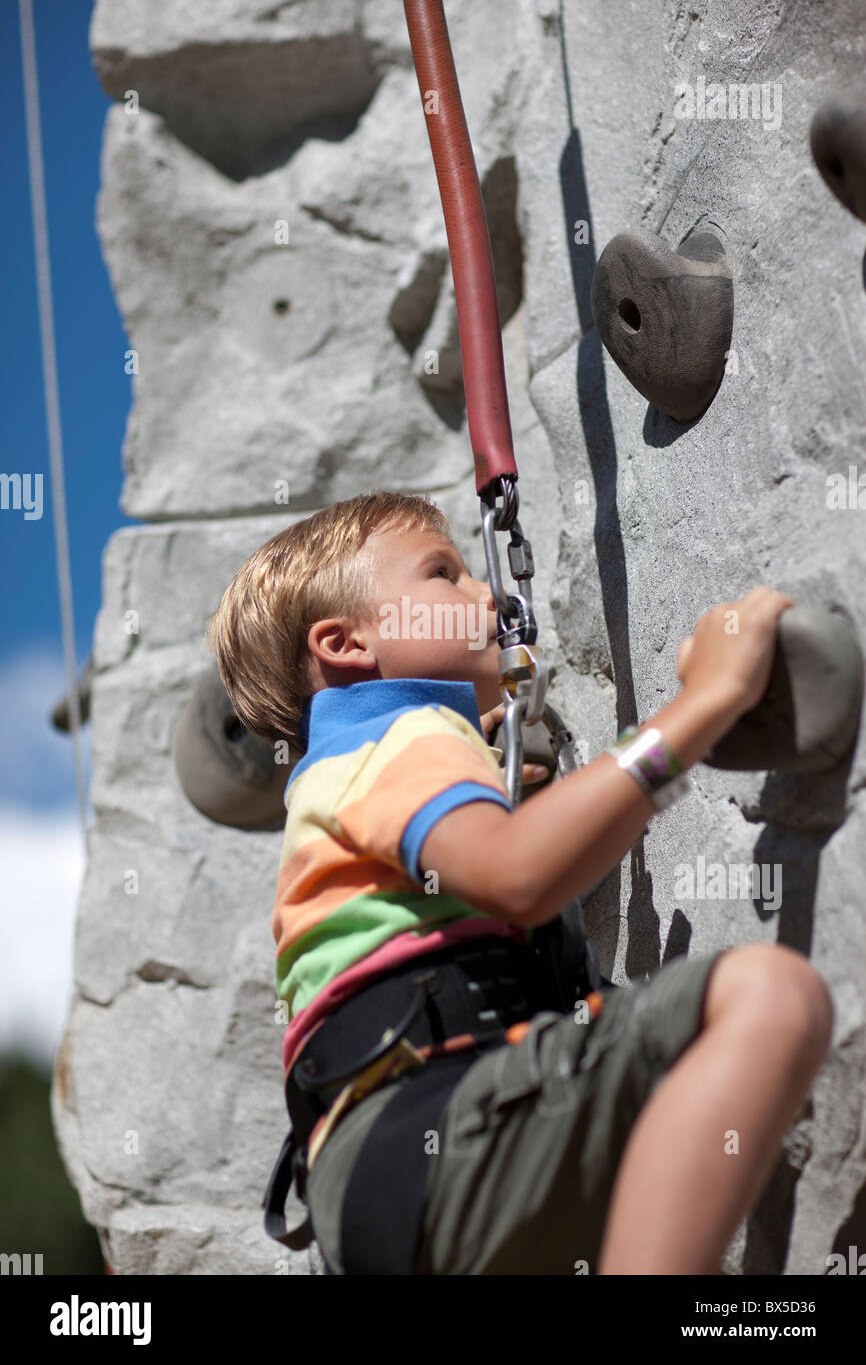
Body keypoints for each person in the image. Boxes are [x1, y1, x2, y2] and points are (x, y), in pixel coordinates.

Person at [207, 490, 833, 1275]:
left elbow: (508, 870)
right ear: (346, 644)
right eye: (444, 575)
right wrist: (705, 705)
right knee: (768, 995)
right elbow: (522, 871)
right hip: (439, 1129)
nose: (487, 594)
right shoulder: (396, 735)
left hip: (388, 1177)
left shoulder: (347, 775)